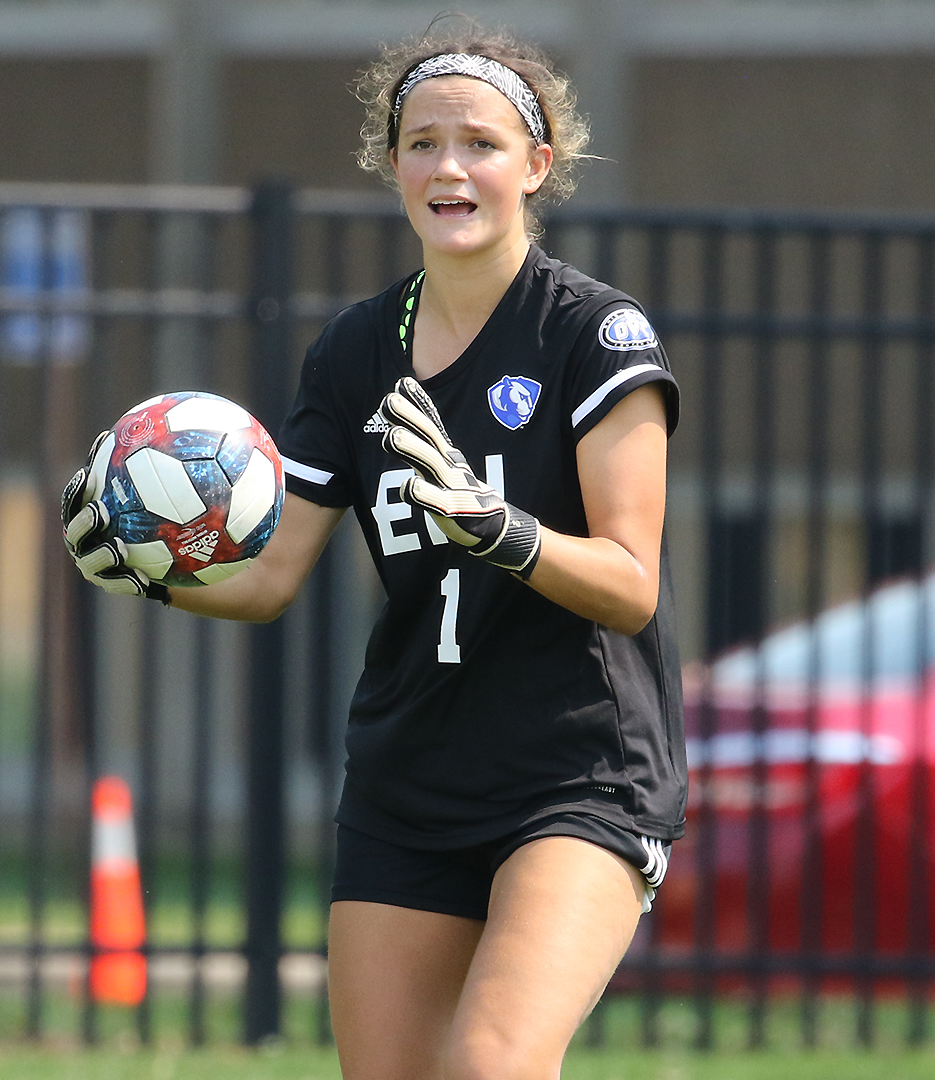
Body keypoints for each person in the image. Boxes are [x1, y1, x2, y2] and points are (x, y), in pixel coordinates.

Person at [62, 20, 683, 1079]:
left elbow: (630, 586)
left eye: (481, 143)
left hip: (574, 774)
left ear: (536, 167)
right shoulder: (355, 350)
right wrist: (143, 567)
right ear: (392, 165)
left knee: (488, 1066)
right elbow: (266, 578)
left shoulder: (594, 334)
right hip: (410, 773)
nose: (450, 166)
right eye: (424, 142)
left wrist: (505, 535)